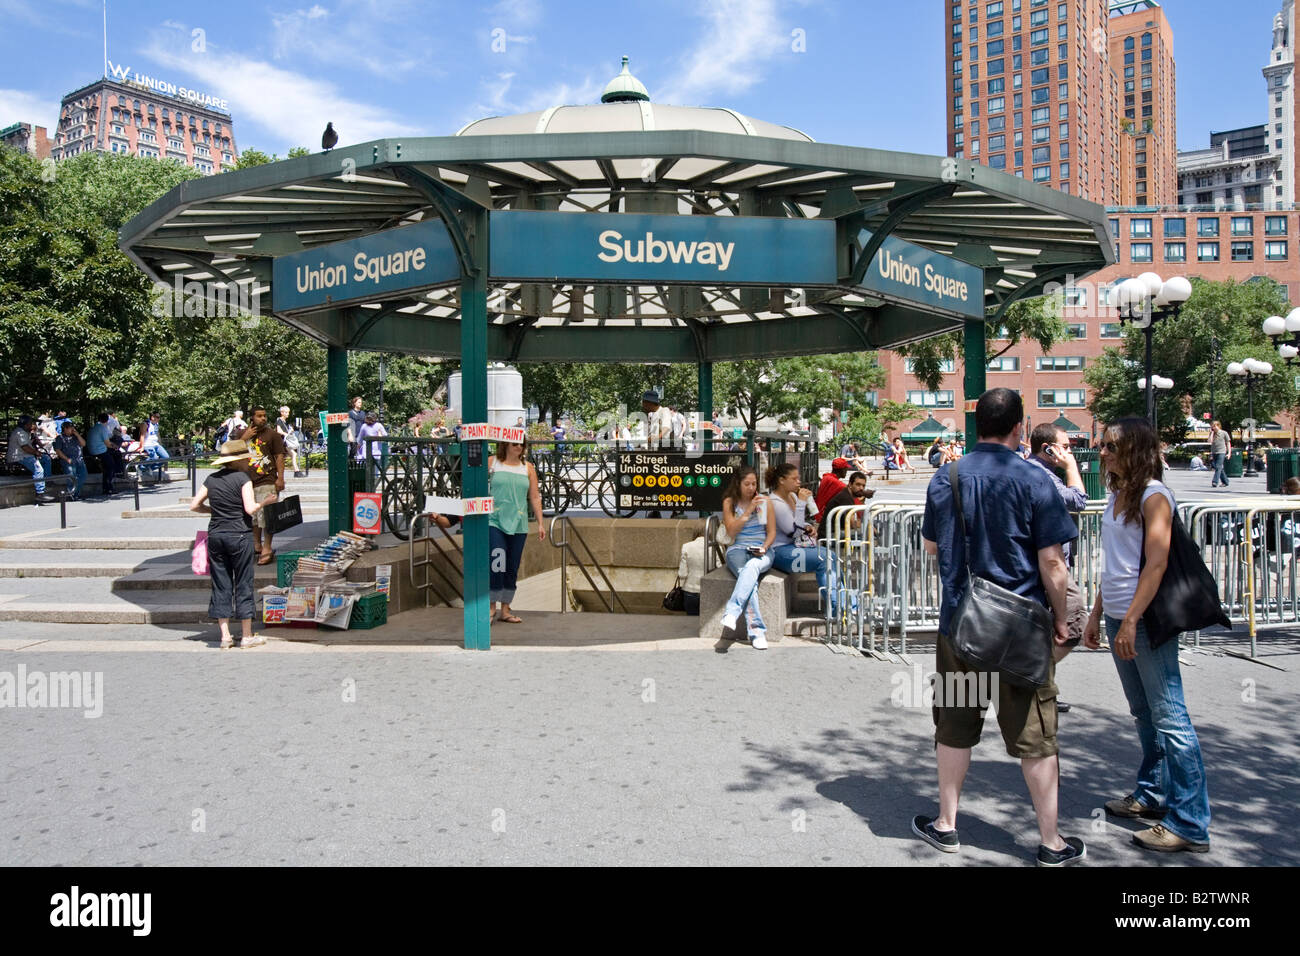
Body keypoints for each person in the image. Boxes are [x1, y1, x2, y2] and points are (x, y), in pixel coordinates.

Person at [915, 387, 1084, 866]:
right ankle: (1051, 842)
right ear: (1019, 427)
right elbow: (1052, 563)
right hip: (1019, 630)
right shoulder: (1035, 480)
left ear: (977, 425)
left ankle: (946, 825)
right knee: (1036, 735)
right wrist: (1060, 620)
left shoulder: (945, 477)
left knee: (955, 723)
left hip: (960, 624)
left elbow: (932, 547)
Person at [1082, 417, 1211, 854]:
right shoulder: (1118, 495)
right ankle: (1153, 794)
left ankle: (1191, 823)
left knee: (1171, 717)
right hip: (1121, 617)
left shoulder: (1156, 497)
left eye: (1112, 446)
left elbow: (1154, 565)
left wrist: (1133, 619)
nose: (1103, 452)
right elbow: (1114, 565)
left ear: (1136, 449)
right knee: (1144, 713)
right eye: (1103, 445)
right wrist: (1098, 615)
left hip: (1146, 619)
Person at [189, 439, 278, 649]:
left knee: (221, 584)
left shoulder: (211, 479)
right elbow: (250, 509)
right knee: (243, 582)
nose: (248, 462)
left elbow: (194, 505)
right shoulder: (242, 478)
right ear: (240, 460)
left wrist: (212, 511)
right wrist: (265, 502)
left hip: (216, 536)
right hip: (239, 535)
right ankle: (247, 635)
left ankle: (225, 636)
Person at [1027, 423, 1091, 714]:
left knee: (1049, 628)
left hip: (1046, 562)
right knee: (1074, 621)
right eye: (1064, 447)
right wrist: (1072, 467)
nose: (1068, 452)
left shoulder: (1036, 472)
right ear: (1047, 449)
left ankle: (1038, 684)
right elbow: (1078, 500)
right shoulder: (1043, 475)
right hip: (1051, 563)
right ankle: (1030, 681)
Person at [487, 438, 546, 624]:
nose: (519, 447)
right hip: (494, 520)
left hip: (518, 522)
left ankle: (505, 608)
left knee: (512, 566)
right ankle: (491, 606)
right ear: (506, 445)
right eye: (515, 444)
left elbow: (535, 497)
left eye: (522, 444)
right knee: (497, 562)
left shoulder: (528, 468)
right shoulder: (492, 462)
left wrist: (540, 523)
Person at [718, 466, 776, 649]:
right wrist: (748, 510)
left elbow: (772, 532)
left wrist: (764, 547)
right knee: (748, 577)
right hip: (738, 548)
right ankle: (757, 632)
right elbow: (731, 530)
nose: (751, 488)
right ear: (738, 484)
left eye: (754, 483)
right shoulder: (729, 502)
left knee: (750, 568)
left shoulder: (765, 501)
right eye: (747, 484)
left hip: (762, 549)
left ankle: (732, 612)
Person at [765, 462, 830, 606]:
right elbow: (794, 532)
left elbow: (799, 523)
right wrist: (801, 503)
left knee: (832, 555)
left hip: (795, 546)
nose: (798, 482)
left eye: (798, 478)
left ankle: (847, 603)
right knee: (824, 559)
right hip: (780, 552)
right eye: (794, 479)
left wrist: (808, 526)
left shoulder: (793, 496)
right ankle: (836, 606)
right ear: (782, 481)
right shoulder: (775, 503)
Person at [233, 407, 286, 566]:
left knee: (267, 516)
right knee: (254, 515)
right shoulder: (241, 434)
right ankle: (257, 544)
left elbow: (279, 457)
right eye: (259, 416)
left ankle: (267, 547)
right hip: (247, 481)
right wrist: (244, 438)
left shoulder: (273, 435)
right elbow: (230, 454)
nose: (263, 418)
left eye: (264, 416)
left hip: (267, 479)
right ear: (252, 418)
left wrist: (280, 478)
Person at [6, 416, 56, 502]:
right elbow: (25, 447)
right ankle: (40, 493)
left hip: (26, 455)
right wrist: (36, 453)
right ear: (25, 425)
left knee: (46, 459)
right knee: (38, 469)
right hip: (19, 457)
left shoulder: (26, 432)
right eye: (31, 424)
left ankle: (47, 481)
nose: (32, 425)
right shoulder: (19, 433)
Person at [86, 413, 120, 497]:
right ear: (107, 420)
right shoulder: (103, 428)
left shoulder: (94, 427)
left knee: (107, 467)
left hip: (92, 451)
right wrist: (115, 446)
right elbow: (108, 444)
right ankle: (109, 487)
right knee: (111, 466)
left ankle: (106, 487)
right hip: (100, 451)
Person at [52, 421, 88, 500]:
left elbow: (84, 444)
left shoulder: (75, 437)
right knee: (72, 477)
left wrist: (77, 434)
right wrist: (67, 459)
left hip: (79, 459)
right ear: (65, 429)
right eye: (70, 428)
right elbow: (58, 451)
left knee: (83, 476)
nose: (72, 429)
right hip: (69, 460)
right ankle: (72, 495)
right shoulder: (60, 438)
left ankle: (75, 493)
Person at [677, 534, 706, 616]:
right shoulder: (716, 547)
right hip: (708, 590)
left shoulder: (686, 546)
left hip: (690, 590)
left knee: (691, 620)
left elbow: (682, 574)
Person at [140, 411, 169, 481]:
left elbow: (157, 435)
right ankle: (141, 467)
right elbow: (142, 436)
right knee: (154, 457)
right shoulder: (145, 424)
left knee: (166, 457)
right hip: (148, 444)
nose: (159, 419)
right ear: (152, 417)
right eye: (157, 417)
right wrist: (141, 446)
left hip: (155, 444)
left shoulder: (156, 424)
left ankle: (150, 468)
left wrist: (160, 444)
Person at [276, 406, 302, 477]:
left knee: (290, 455)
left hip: (285, 441)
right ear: (282, 413)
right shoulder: (279, 420)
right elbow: (278, 430)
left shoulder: (284, 421)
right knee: (293, 454)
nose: (288, 414)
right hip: (283, 442)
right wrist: (286, 434)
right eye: (286, 412)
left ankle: (296, 471)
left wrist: (290, 431)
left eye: (288, 412)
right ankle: (296, 471)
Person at [1209, 420, 1230, 488]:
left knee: (1218, 466)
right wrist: (1212, 433)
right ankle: (1225, 481)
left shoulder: (1224, 433)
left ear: (1218, 426)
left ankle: (1215, 481)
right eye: (1212, 426)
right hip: (1214, 452)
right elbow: (1210, 441)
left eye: (1214, 426)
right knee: (1219, 468)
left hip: (1222, 452)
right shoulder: (1212, 434)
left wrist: (1229, 453)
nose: (1213, 428)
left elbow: (1228, 443)